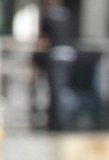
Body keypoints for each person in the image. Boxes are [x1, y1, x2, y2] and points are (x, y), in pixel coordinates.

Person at [39, 0, 76, 131]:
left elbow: (43, 39)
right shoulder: (67, 14)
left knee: (56, 92)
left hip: (56, 56)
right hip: (69, 55)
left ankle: (59, 124)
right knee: (64, 91)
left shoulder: (48, 15)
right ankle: (64, 122)